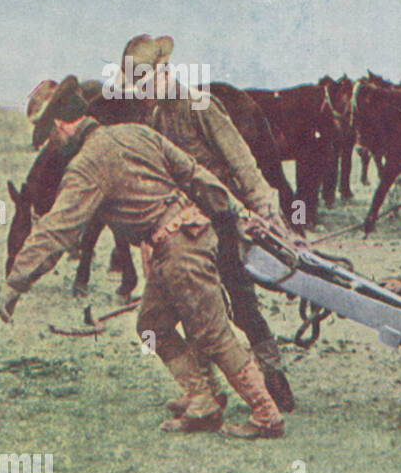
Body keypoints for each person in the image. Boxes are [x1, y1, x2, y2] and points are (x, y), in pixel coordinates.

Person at [0, 75, 285, 440]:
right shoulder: (135, 133)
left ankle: (265, 413)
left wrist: (16, 283)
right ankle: (203, 401)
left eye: (48, 136)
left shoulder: (86, 166)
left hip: (181, 249)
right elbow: (195, 174)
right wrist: (236, 211)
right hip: (183, 240)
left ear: (60, 126)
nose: (51, 145)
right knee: (151, 326)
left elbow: (55, 230)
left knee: (213, 333)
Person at [120, 34, 297, 412]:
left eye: (145, 84)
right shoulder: (155, 117)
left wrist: (266, 213)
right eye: (137, 88)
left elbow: (242, 162)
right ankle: (205, 391)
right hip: (186, 228)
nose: (142, 94)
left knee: (243, 305)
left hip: (225, 222)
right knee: (189, 307)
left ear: (164, 72)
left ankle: (275, 379)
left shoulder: (200, 104)